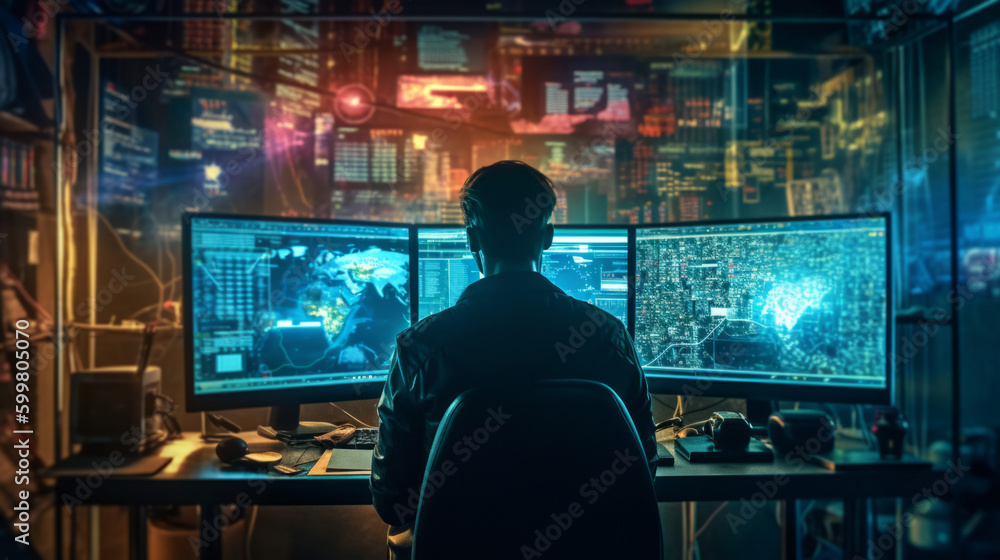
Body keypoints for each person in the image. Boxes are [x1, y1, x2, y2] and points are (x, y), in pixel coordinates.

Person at [369, 160, 657, 558]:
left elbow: (392, 501)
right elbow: (643, 473)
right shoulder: (610, 338)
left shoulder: (420, 348)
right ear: (548, 237)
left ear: (472, 239)